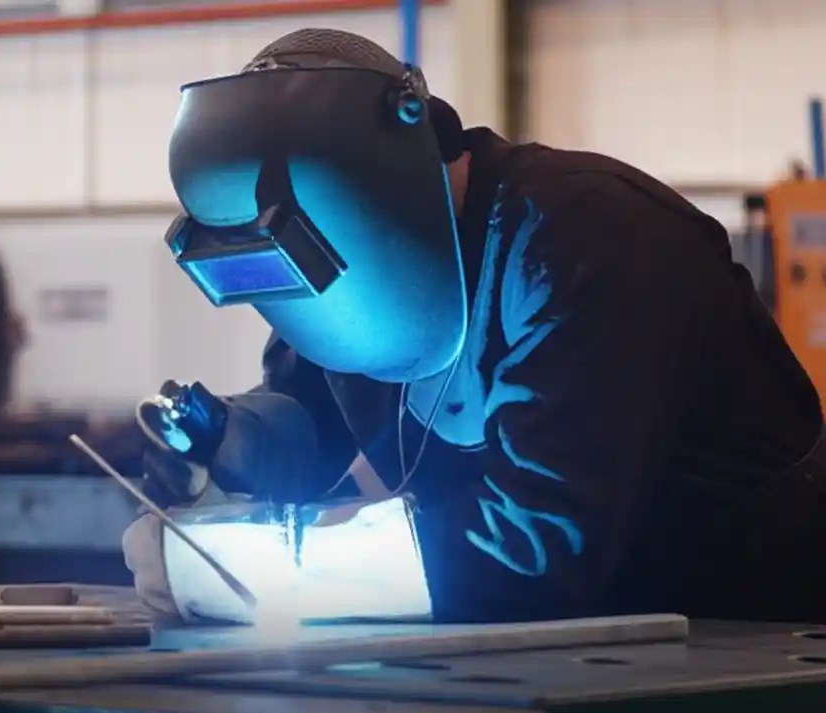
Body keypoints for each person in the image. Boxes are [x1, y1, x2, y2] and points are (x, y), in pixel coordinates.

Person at [122, 28, 826, 624]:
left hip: (748, 636)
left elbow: (533, 546)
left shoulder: (586, 240)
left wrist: (224, 579)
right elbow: (320, 430)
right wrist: (230, 442)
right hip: (573, 640)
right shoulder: (340, 262)